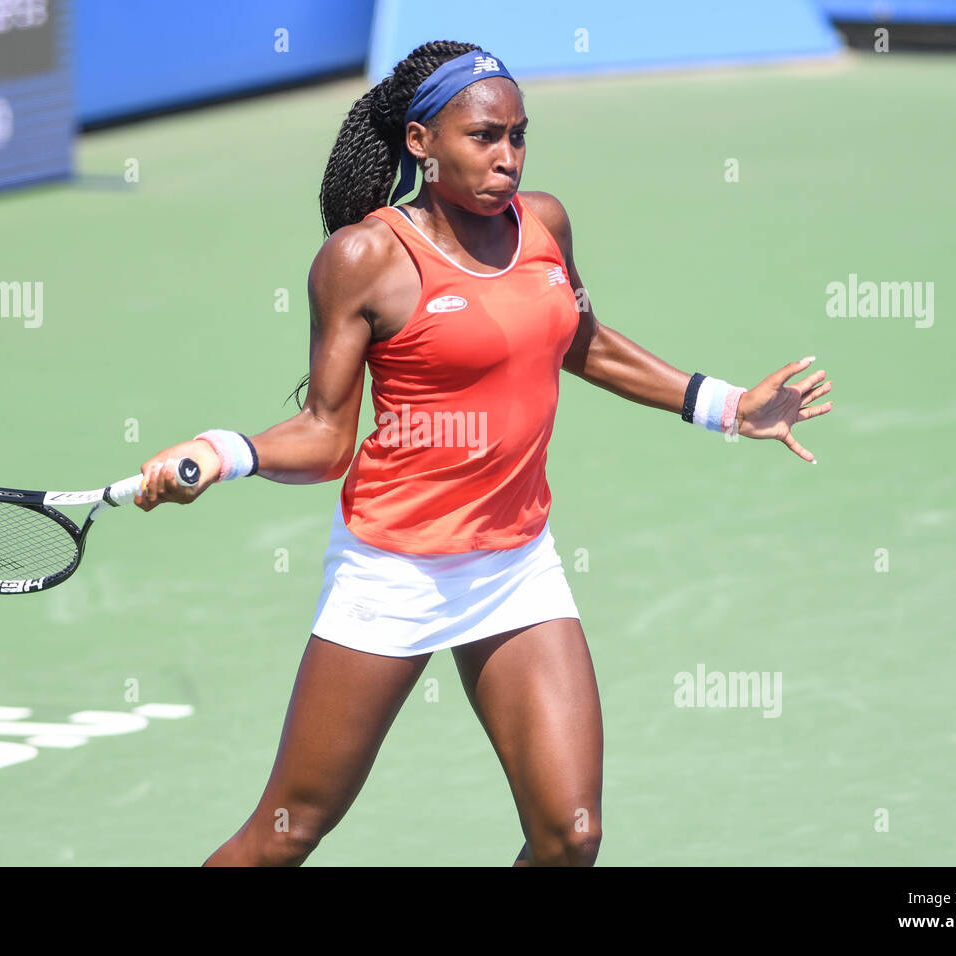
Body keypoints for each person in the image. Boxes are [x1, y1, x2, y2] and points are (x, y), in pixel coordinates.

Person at [134, 40, 833, 867]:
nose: (507, 157)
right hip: (394, 572)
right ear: (422, 144)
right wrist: (222, 452)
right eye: (484, 137)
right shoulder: (363, 259)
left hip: (515, 564)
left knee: (570, 838)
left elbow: (581, 341)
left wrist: (724, 406)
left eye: (519, 136)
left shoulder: (544, 223)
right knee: (288, 832)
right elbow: (326, 437)